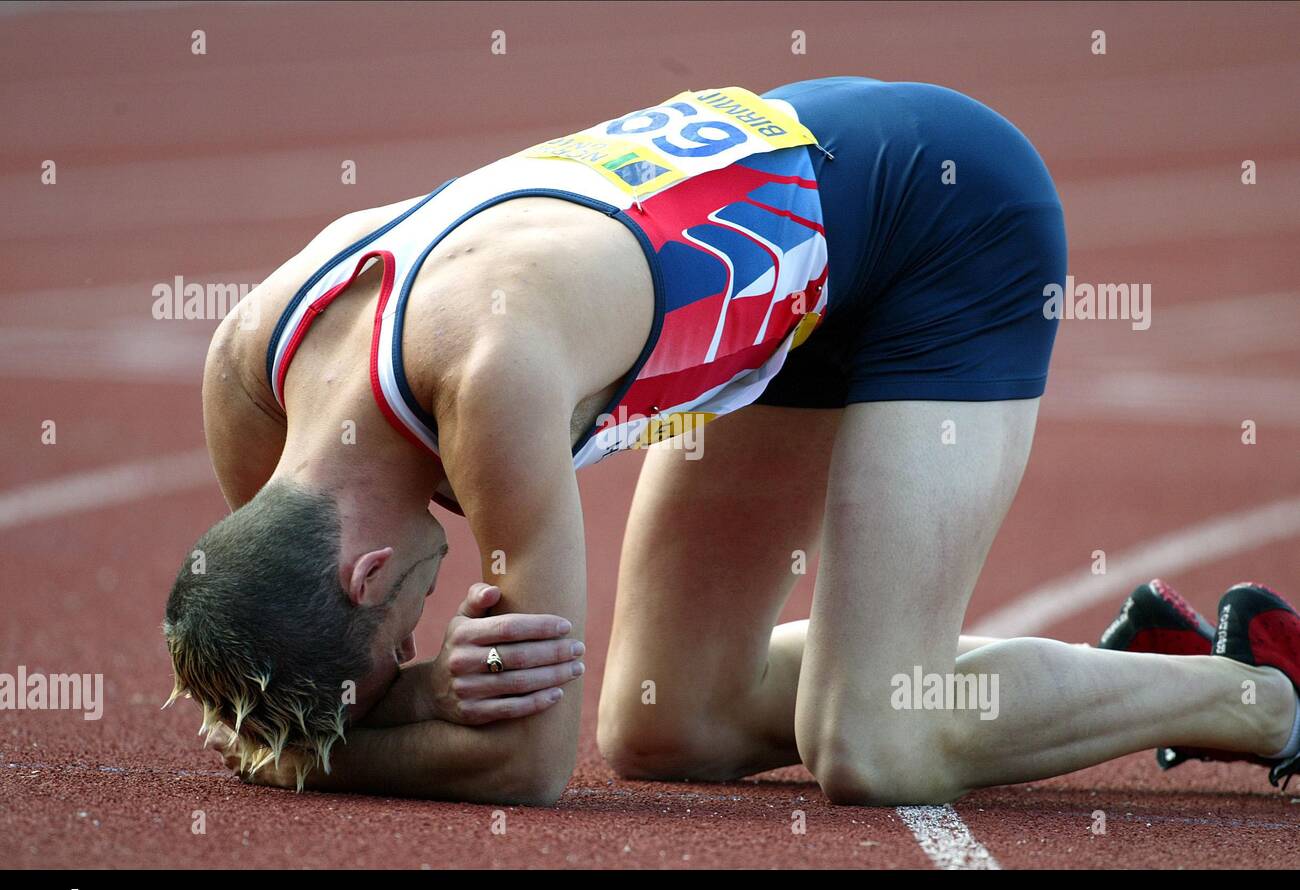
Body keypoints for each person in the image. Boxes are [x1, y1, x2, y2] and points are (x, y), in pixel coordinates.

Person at [164, 77, 1300, 803]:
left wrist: (309, 751)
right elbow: (362, 659)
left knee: (875, 744)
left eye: (396, 643)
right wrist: (375, 702)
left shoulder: (489, 383)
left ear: (368, 573)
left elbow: (528, 757)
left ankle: (1259, 695)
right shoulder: (248, 378)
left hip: (941, 222)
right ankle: (1128, 660)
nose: (418, 644)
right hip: (775, 274)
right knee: (668, 722)